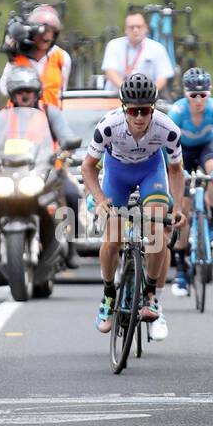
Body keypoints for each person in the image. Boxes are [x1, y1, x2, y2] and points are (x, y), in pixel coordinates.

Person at [81, 72, 184, 341]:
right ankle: (108, 296)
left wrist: (179, 207)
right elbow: (88, 167)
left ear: (153, 108)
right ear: (125, 108)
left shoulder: (168, 129)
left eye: (145, 111)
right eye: (134, 111)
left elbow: (176, 170)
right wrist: (101, 199)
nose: (139, 117)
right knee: (113, 238)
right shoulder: (107, 126)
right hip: (117, 174)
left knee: (157, 229)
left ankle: (151, 296)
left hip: (151, 172)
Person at [0, 63, 78, 270]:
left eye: (28, 90)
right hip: (7, 173)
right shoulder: (2, 117)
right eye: (20, 91)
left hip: (46, 171)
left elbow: (66, 136)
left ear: (37, 91)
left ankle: (71, 247)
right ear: (12, 93)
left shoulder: (50, 113)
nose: (25, 94)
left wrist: (67, 147)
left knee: (72, 195)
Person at [167, 67, 213, 293]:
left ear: (210, 93)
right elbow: (164, 149)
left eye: (203, 95)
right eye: (193, 95)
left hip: (207, 147)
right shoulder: (176, 111)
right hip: (181, 152)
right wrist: (177, 172)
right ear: (185, 94)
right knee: (183, 211)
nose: (198, 100)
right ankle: (179, 268)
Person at [0, 5, 72, 108]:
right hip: (20, 118)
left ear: (55, 34)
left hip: (50, 119)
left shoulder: (62, 57)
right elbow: (4, 89)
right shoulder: (18, 57)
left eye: (50, 31)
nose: (45, 36)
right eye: (41, 32)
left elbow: (62, 90)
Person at [100, 11, 175, 96]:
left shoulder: (158, 48)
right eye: (131, 27)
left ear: (146, 28)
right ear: (125, 29)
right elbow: (110, 71)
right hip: (115, 97)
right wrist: (126, 92)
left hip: (146, 99)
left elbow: (162, 77)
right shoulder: (114, 45)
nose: (135, 30)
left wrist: (148, 94)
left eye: (139, 27)